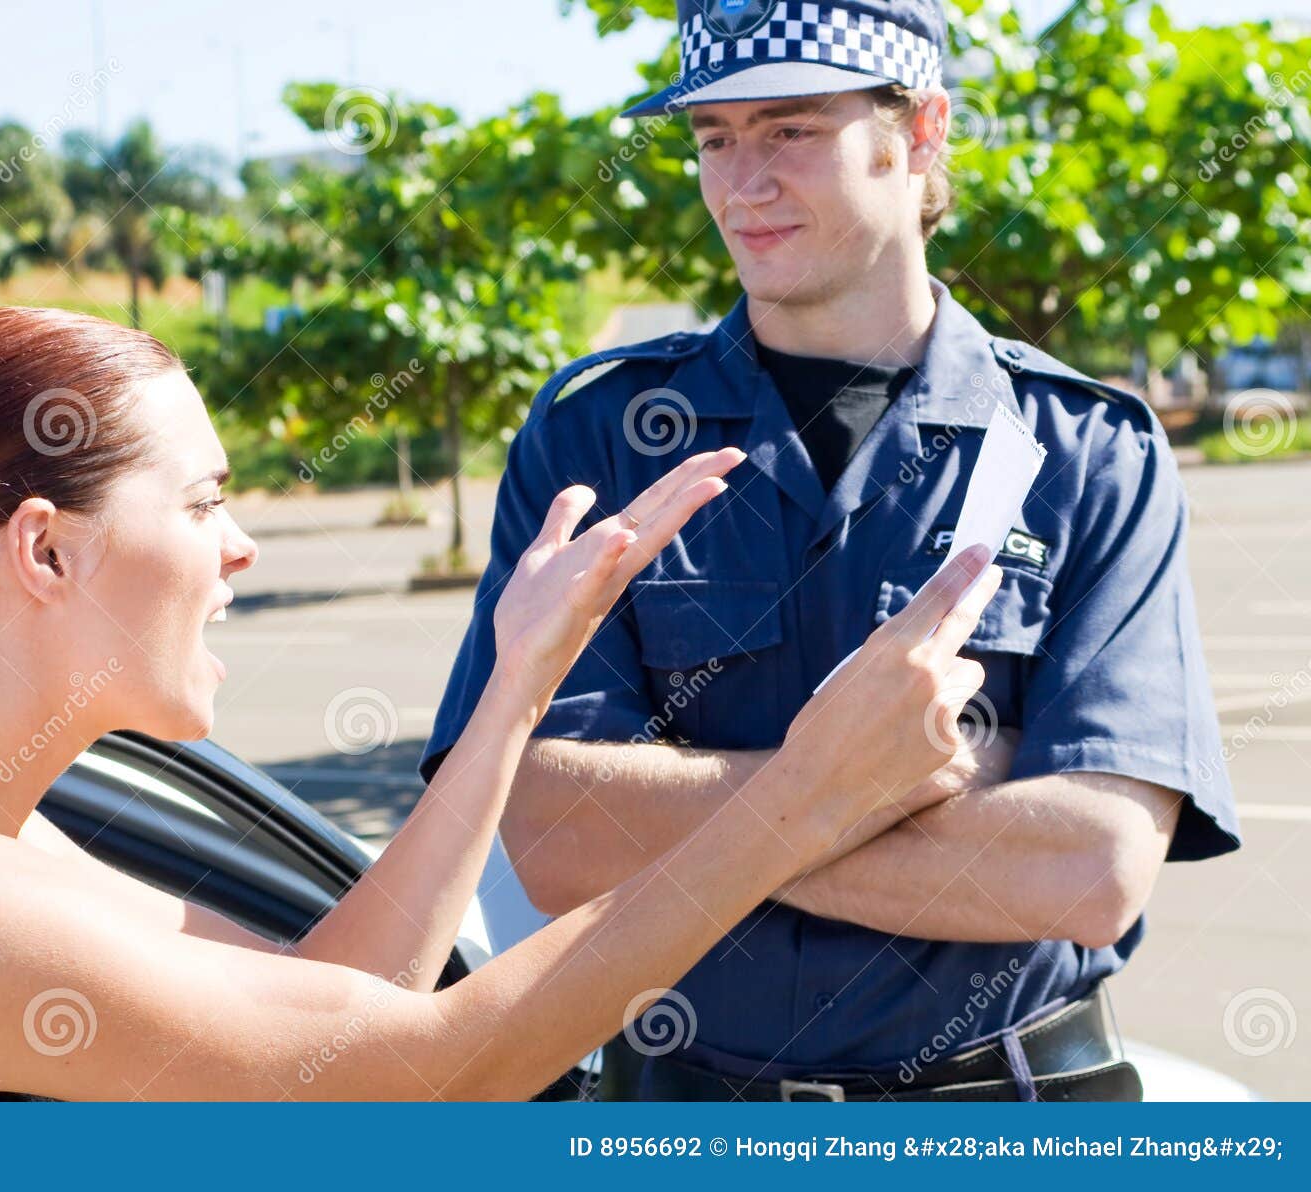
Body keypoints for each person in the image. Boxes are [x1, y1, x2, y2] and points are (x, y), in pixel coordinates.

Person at [0, 305, 1000, 1101]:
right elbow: (425, 1083)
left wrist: (516, 688)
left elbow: (339, 1000)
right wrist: (802, 796)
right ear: (46, 551)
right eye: (205, 502)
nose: (240, 549)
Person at [422, 0, 1238, 1101]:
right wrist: (856, 792)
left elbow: (1088, 869)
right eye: (715, 138)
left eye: (790, 129)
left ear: (920, 132)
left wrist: (692, 826)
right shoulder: (596, 437)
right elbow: (552, 834)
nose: (739, 183)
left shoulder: (1085, 448)